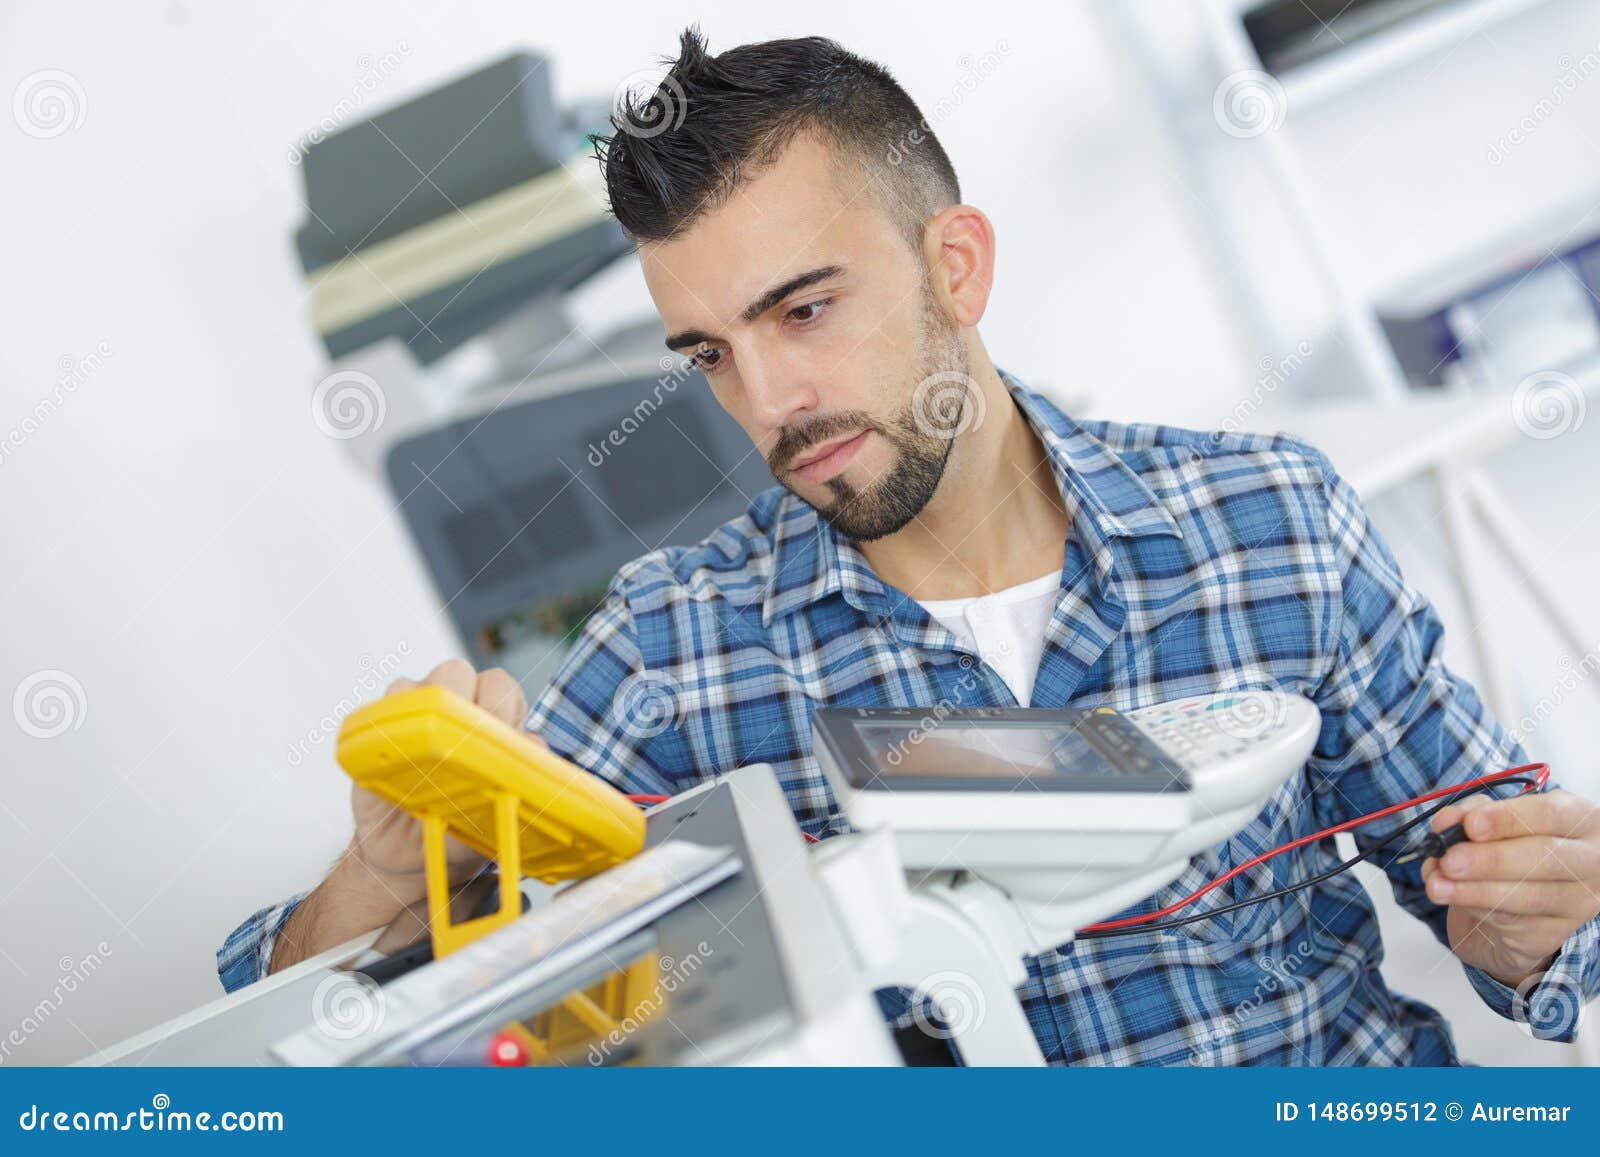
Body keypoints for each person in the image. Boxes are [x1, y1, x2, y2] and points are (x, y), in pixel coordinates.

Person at [218, 28, 1600, 1064]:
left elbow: (1514, 896)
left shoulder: (1272, 523)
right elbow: (318, 1034)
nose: (767, 404)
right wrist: (376, 886)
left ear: (957, 266)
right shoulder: (676, 653)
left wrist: (1528, 923)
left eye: (805, 311)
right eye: (710, 353)